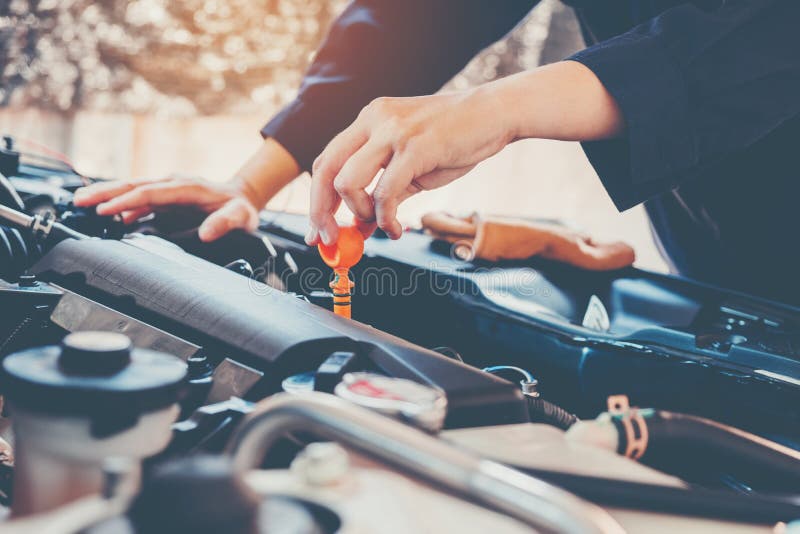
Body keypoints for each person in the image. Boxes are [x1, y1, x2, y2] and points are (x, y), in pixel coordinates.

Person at [74, 1, 800, 305]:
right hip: (718, 250)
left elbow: (757, 35)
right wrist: (247, 186)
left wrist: (498, 109)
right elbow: (413, 18)